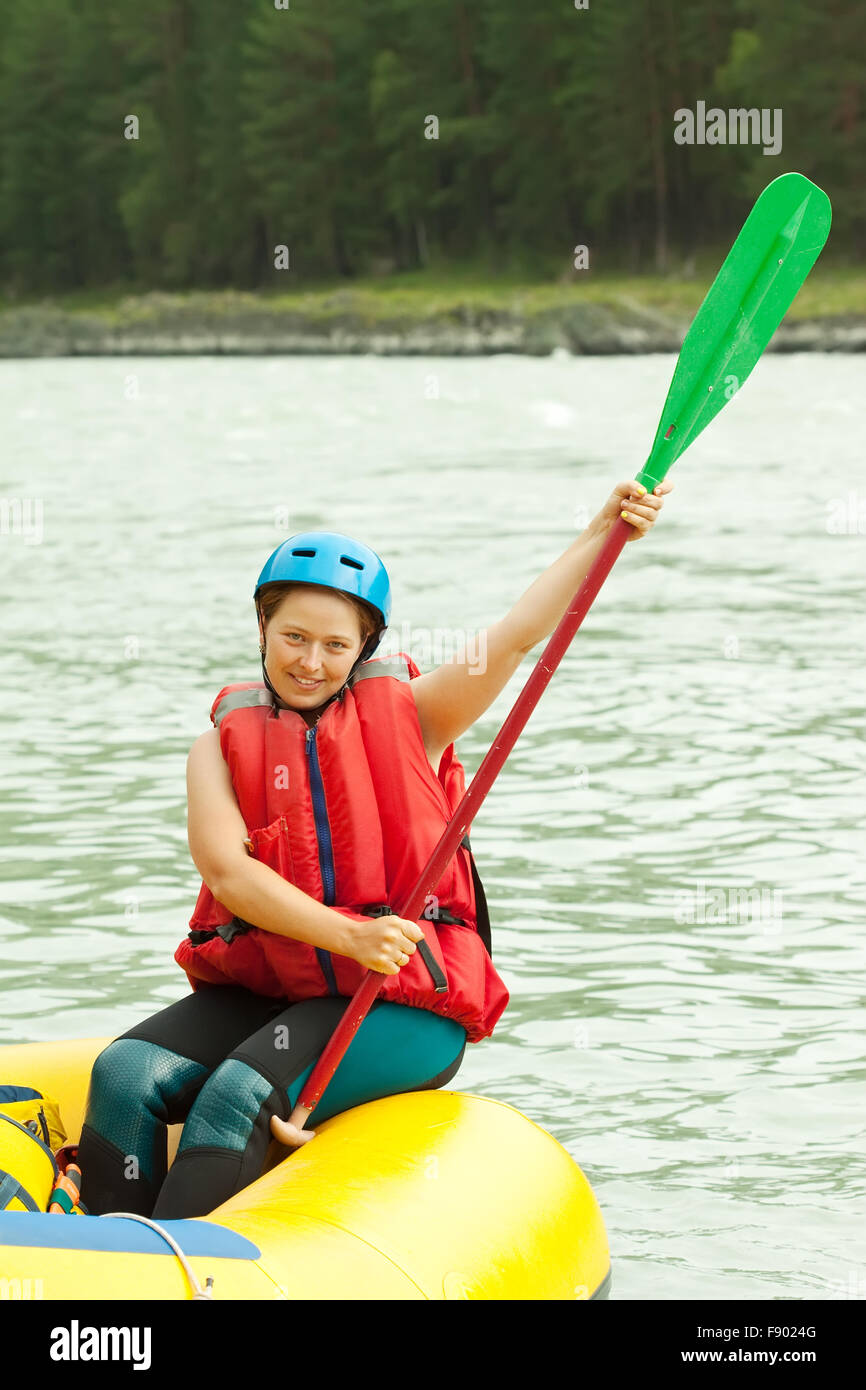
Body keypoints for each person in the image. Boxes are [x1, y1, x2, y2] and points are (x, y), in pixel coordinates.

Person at [77, 478, 670, 1220]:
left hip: (402, 1005)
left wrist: (598, 532)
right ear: (262, 628)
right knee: (125, 1071)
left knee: (236, 1094)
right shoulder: (218, 749)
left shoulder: (416, 717)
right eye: (294, 637)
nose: (311, 663)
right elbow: (230, 874)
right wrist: (347, 934)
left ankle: (184, 1271)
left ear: (365, 650)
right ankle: (106, 1254)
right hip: (286, 989)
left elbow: (516, 636)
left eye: (336, 645)